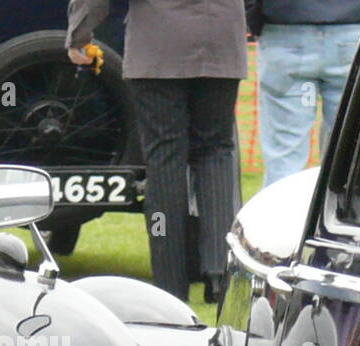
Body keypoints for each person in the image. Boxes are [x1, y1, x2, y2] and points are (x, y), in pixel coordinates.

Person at [66, 0, 247, 303]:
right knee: (216, 151)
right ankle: (219, 270)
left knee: (165, 160)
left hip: (157, 45)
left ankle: (170, 281)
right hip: (221, 41)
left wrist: (79, 35)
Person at [245, 1, 360, 186]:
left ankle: (283, 213)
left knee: (285, 157)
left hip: (284, 33)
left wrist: (256, 19)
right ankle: (345, 212)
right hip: (353, 32)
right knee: (351, 152)